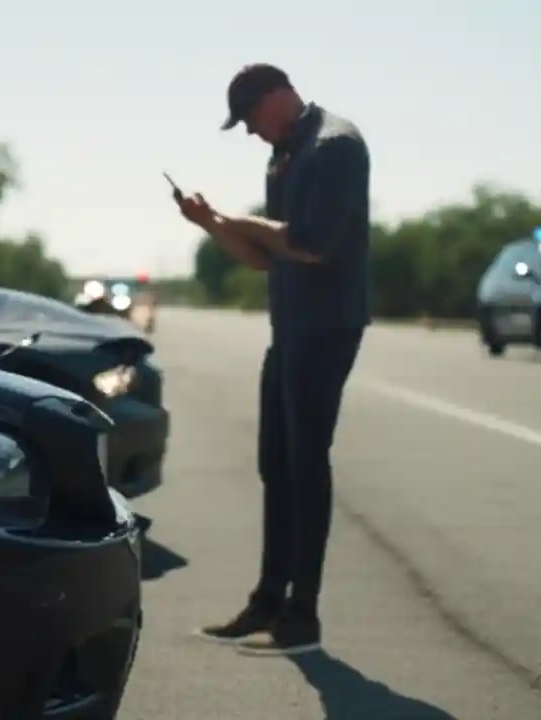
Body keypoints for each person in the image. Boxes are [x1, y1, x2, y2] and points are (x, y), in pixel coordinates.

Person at [176, 63, 371, 656]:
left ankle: (301, 617)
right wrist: (211, 223)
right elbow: (266, 256)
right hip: (289, 328)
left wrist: (237, 221)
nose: (254, 133)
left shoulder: (334, 146)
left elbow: (310, 244)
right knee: (275, 463)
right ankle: (267, 600)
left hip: (327, 326)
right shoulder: (283, 155)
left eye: (253, 118)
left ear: (278, 97)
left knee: (305, 463)